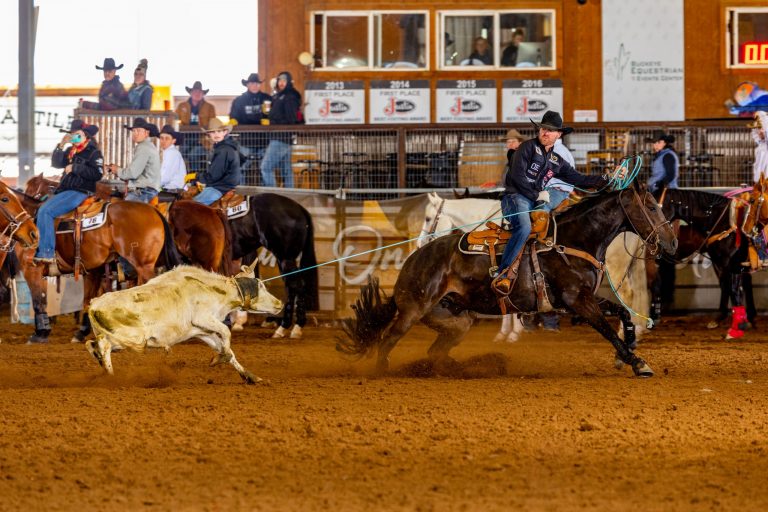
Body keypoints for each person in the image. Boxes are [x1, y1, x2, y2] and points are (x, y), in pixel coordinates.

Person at [494, 111, 614, 294]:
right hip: (515, 198)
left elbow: (579, 179)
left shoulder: (556, 160)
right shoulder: (526, 148)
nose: (545, 132)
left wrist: (608, 178)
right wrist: (537, 195)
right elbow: (517, 177)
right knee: (525, 228)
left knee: (551, 232)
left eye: (550, 130)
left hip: (531, 200)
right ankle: (503, 273)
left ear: (559, 134)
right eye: (543, 128)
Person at [33, 120, 104, 264]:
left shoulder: (94, 153)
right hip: (65, 190)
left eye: (76, 133)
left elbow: (98, 174)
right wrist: (60, 145)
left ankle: (46, 252)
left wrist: (75, 168)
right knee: (40, 208)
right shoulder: (70, 151)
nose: (73, 136)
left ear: (85, 135)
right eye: (72, 134)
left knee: (45, 211)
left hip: (80, 191)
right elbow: (56, 164)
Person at [645, 130, 679, 317]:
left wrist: (658, 186)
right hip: (658, 191)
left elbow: (670, 175)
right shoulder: (661, 155)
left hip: (667, 193)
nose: (654, 145)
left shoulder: (668, 156)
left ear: (664, 143)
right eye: (654, 142)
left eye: (657, 142)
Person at [260, 71, 302, 188]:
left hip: (281, 138)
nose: (281, 83)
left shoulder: (290, 96)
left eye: (284, 80)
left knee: (266, 167)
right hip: (282, 138)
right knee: (286, 170)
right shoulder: (278, 96)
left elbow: (291, 119)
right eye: (280, 80)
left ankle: (272, 194)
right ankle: (289, 195)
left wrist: (272, 122)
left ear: (289, 82)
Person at [107, 117, 161, 202]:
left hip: (143, 191)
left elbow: (133, 173)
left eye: (138, 130)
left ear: (146, 133)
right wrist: (119, 170)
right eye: (133, 131)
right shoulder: (148, 146)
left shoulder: (143, 147)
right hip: (148, 190)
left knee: (121, 209)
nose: (135, 133)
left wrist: (117, 170)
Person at [229, 73, 272, 178]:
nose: (255, 86)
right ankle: (241, 188)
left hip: (264, 141)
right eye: (252, 83)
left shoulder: (267, 99)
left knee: (264, 169)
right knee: (242, 168)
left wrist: (270, 120)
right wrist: (233, 121)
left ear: (260, 85)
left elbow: (274, 114)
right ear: (247, 85)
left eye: (257, 83)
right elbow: (233, 116)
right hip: (246, 140)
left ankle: (265, 189)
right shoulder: (239, 100)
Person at [193, 118, 241, 206]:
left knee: (192, 206)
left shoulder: (223, 150)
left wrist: (196, 176)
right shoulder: (226, 147)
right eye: (213, 132)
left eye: (219, 131)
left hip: (220, 188)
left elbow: (214, 176)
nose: (216, 134)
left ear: (224, 132)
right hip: (223, 185)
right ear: (209, 134)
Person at [176, 81, 216, 172]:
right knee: (180, 153)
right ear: (191, 93)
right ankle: (183, 175)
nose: (197, 94)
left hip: (202, 140)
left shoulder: (210, 107)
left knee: (193, 155)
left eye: (199, 92)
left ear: (203, 94)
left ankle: (195, 176)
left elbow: (212, 123)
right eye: (195, 91)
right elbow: (175, 119)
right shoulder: (181, 106)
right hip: (185, 138)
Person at [159, 125, 186, 192]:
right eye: (162, 138)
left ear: (173, 140)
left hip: (174, 191)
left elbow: (166, 177)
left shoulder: (171, 153)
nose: (163, 141)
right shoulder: (169, 152)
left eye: (167, 138)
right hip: (171, 189)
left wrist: (151, 185)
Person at [751, 111, 768, 183]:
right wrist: (762, 136)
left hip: (764, 149)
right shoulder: (756, 125)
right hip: (762, 149)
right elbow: (757, 138)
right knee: (760, 167)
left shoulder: (765, 120)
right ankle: (761, 184)